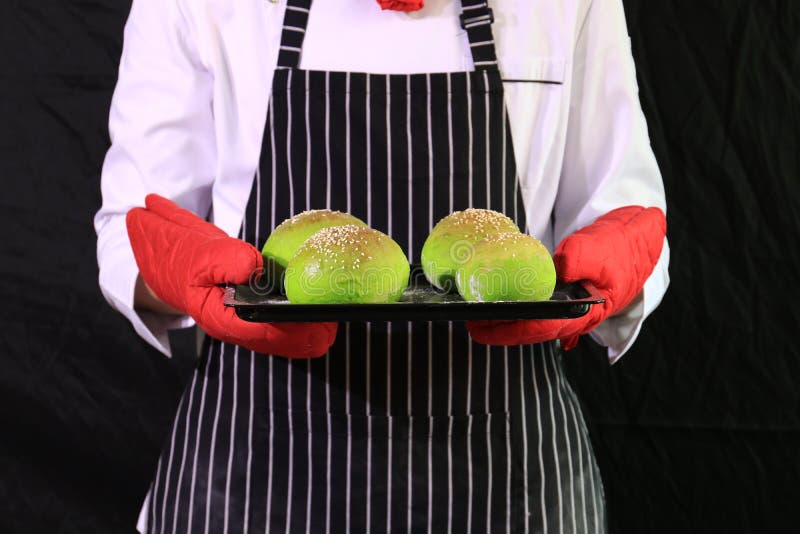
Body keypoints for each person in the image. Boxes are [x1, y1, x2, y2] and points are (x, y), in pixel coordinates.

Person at [94, 0, 670, 532]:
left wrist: (609, 272)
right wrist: (173, 271)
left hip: (506, 479)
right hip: (257, 472)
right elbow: (132, 232)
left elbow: (623, 210)